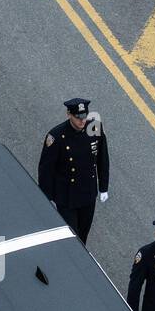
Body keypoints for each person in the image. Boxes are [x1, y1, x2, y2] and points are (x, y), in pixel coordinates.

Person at [37, 98, 109, 241]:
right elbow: (46, 169)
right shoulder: (56, 136)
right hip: (66, 196)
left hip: (88, 193)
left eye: (84, 116)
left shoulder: (95, 128)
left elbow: (102, 159)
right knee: (71, 237)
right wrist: (46, 197)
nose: (82, 121)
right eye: (78, 117)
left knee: (83, 235)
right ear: (69, 114)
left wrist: (103, 187)